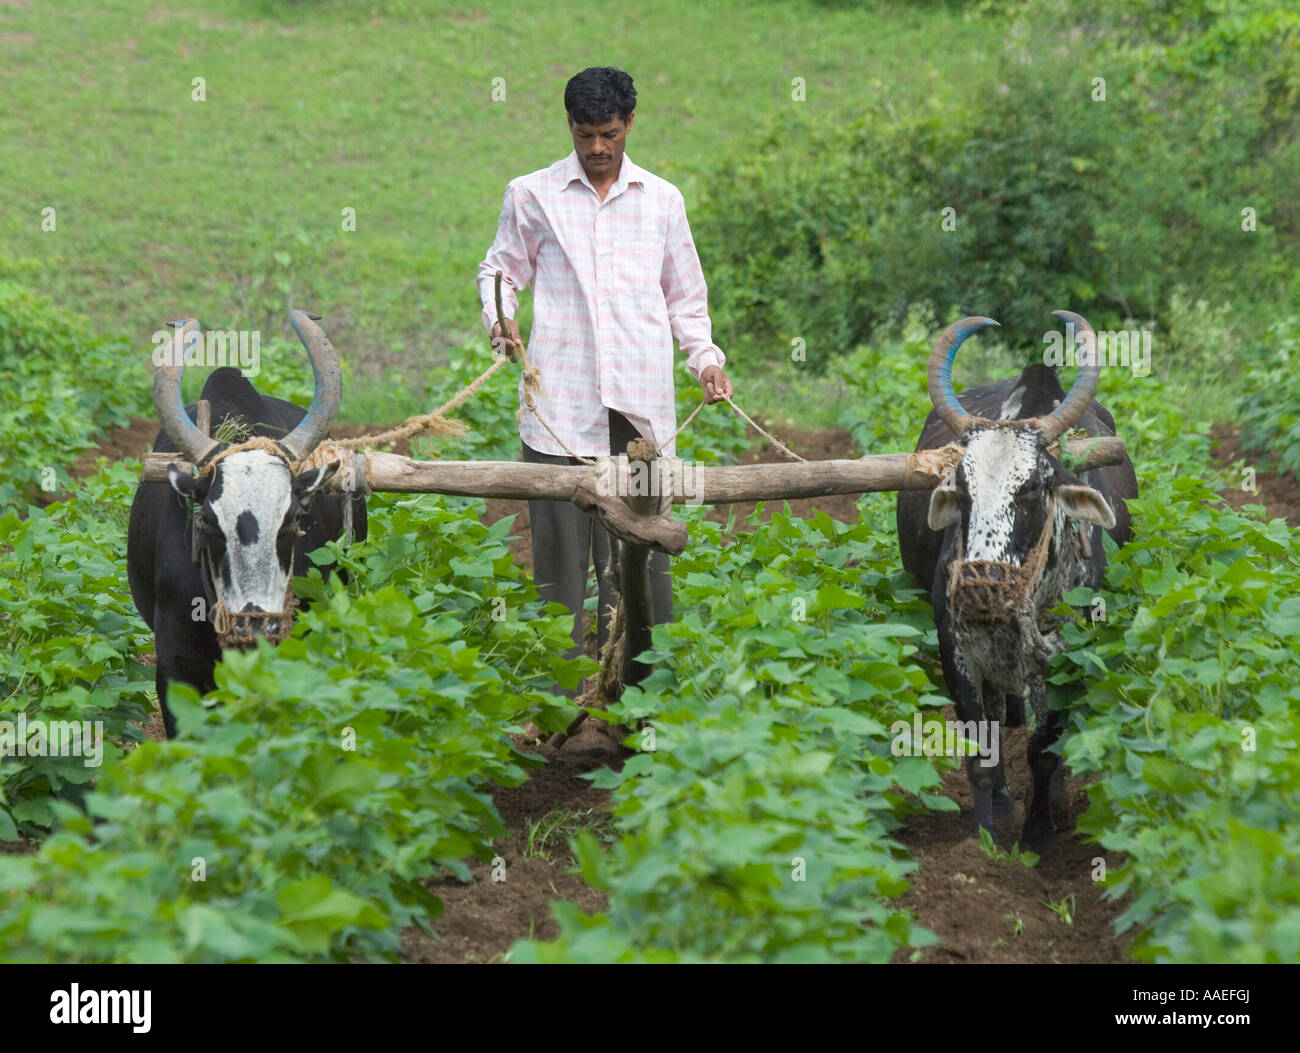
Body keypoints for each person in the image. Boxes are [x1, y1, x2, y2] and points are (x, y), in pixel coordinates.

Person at [476, 66, 733, 682]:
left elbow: (685, 300)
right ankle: (558, 695)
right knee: (558, 571)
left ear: (629, 126)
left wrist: (707, 361)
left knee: (640, 559)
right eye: (585, 134)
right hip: (559, 411)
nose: (596, 148)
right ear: (570, 126)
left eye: (608, 134)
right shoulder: (531, 194)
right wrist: (501, 320)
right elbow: (500, 271)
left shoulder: (662, 200)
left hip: (638, 414)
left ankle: (643, 688)